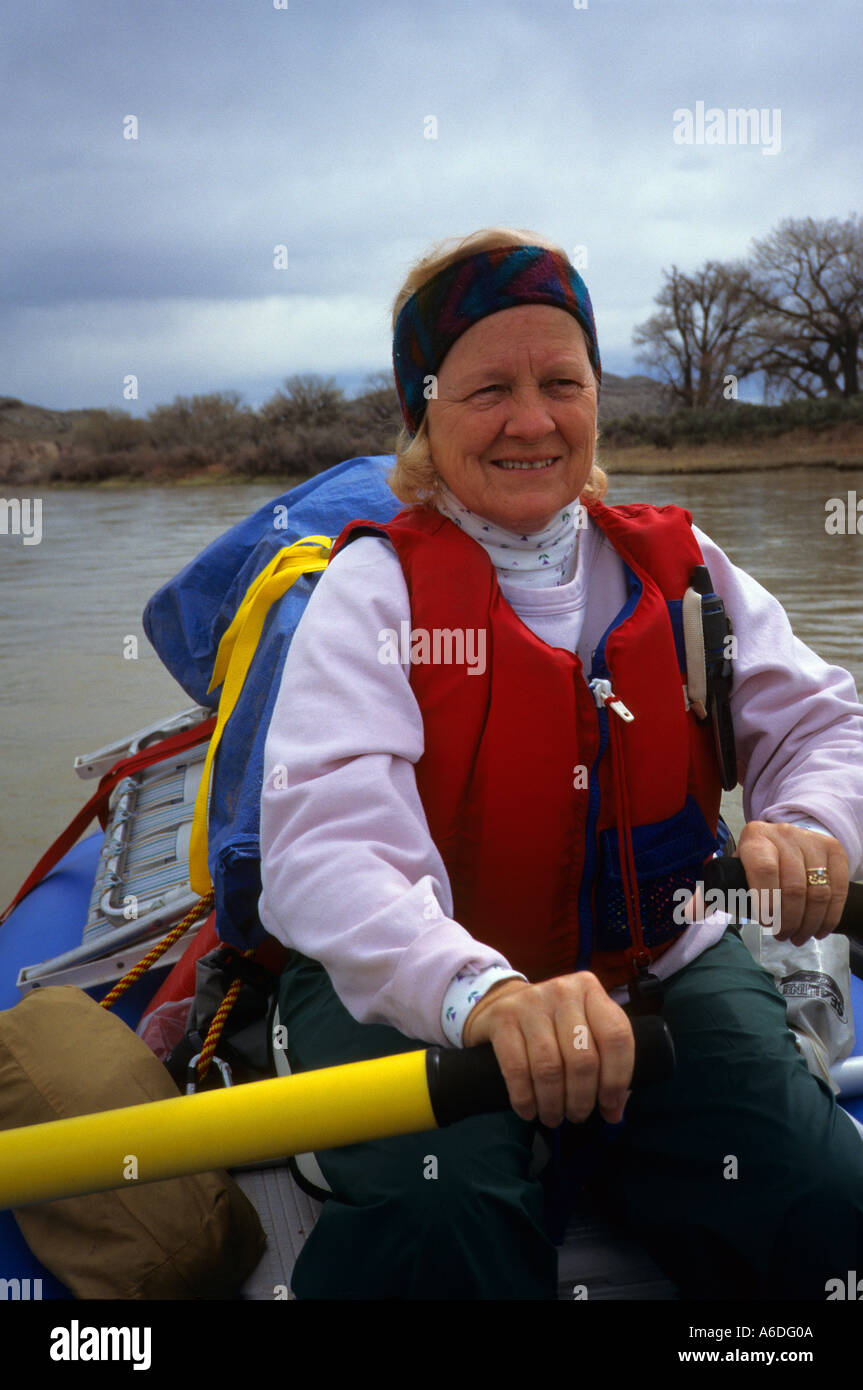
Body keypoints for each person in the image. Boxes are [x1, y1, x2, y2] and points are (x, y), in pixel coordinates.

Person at [258, 227, 863, 1300]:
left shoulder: (680, 566)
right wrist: (480, 995)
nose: (531, 419)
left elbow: (822, 723)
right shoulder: (371, 593)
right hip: (415, 998)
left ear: (595, 398)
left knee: (821, 1205)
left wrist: (813, 823)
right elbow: (326, 849)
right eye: (487, 387)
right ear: (423, 414)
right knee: (439, 1221)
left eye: (561, 382)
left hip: (658, 965)